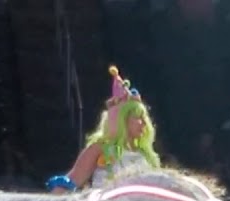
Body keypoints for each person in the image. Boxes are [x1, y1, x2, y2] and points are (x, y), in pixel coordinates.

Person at [46, 65, 159, 193]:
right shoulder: (100, 148)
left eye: (145, 118)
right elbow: (73, 180)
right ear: (121, 119)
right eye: (138, 117)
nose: (144, 123)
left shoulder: (145, 154)